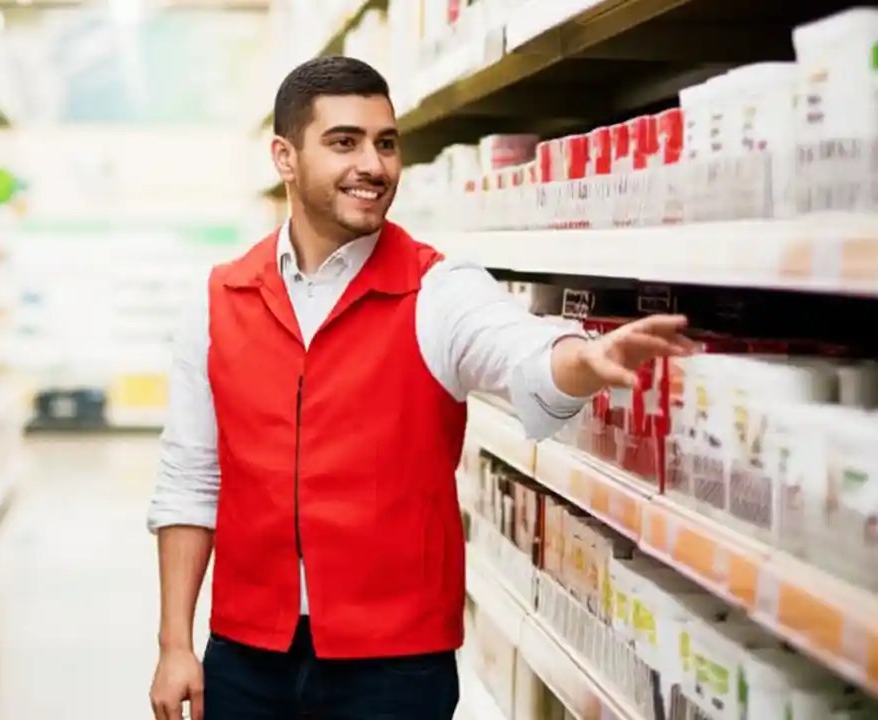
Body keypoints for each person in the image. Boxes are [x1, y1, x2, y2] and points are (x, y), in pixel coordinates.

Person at [147, 56, 693, 720]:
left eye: (386, 142)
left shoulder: (436, 289)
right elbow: (190, 480)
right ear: (285, 158)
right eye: (344, 142)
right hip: (246, 656)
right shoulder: (219, 300)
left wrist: (578, 354)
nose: (374, 166)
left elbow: (513, 346)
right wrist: (176, 643)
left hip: (395, 668)